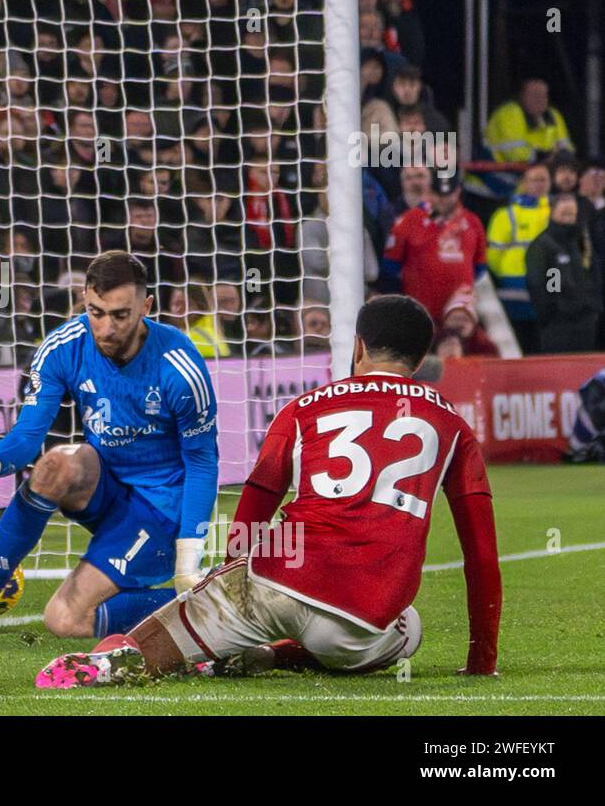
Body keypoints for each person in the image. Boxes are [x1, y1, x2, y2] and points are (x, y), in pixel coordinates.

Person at [35, 294, 502, 688]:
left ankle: (111, 662)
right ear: (420, 360)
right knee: (409, 629)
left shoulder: (302, 408)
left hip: (274, 581)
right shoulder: (452, 425)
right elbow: (480, 554)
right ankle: (274, 657)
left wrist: (224, 584)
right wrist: (482, 659)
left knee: (151, 647)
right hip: (356, 621)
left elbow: (256, 504)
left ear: (358, 347)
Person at [0, 252, 220, 642]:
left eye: (120, 315)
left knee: (65, 619)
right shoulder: (63, 346)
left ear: (146, 307)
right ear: (83, 298)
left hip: (159, 508)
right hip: (106, 485)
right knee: (55, 465)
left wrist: (189, 552)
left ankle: (199, 600)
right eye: (96, 312)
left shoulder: (179, 365)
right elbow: (28, 437)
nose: (106, 328)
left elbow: (202, 462)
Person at [381, 170, 487, 326]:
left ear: (457, 192)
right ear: (430, 192)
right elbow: (390, 266)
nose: (443, 200)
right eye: (438, 195)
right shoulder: (408, 220)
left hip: (458, 315)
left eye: (448, 195)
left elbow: (479, 267)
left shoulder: (473, 222)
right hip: (420, 313)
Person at [525, 194, 603, 353]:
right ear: (552, 212)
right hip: (558, 326)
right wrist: (554, 312)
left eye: (571, 213)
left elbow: (594, 274)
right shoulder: (544, 246)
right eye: (564, 212)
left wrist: (593, 304)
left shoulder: (583, 242)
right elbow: (541, 284)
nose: (569, 216)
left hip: (587, 322)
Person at [487, 162, 551, 352]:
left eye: (543, 179)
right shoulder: (505, 215)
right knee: (517, 347)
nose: (539, 184)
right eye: (535, 179)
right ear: (523, 183)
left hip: (546, 292)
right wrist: (509, 279)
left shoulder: (558, 212)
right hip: (514, 291)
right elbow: (493, 256)